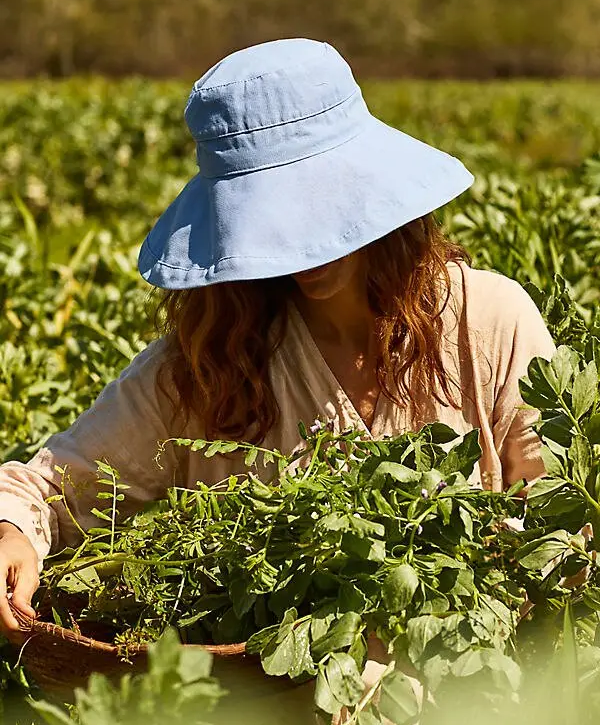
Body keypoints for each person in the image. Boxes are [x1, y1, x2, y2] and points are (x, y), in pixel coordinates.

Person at [0, 38, 555, 636]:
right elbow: (46, 485)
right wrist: (13, 534)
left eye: (315, 205)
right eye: (268, 220)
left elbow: (559, 516)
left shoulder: (486, 322)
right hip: (268, 722)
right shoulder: (209, 362)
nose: (298, 246)